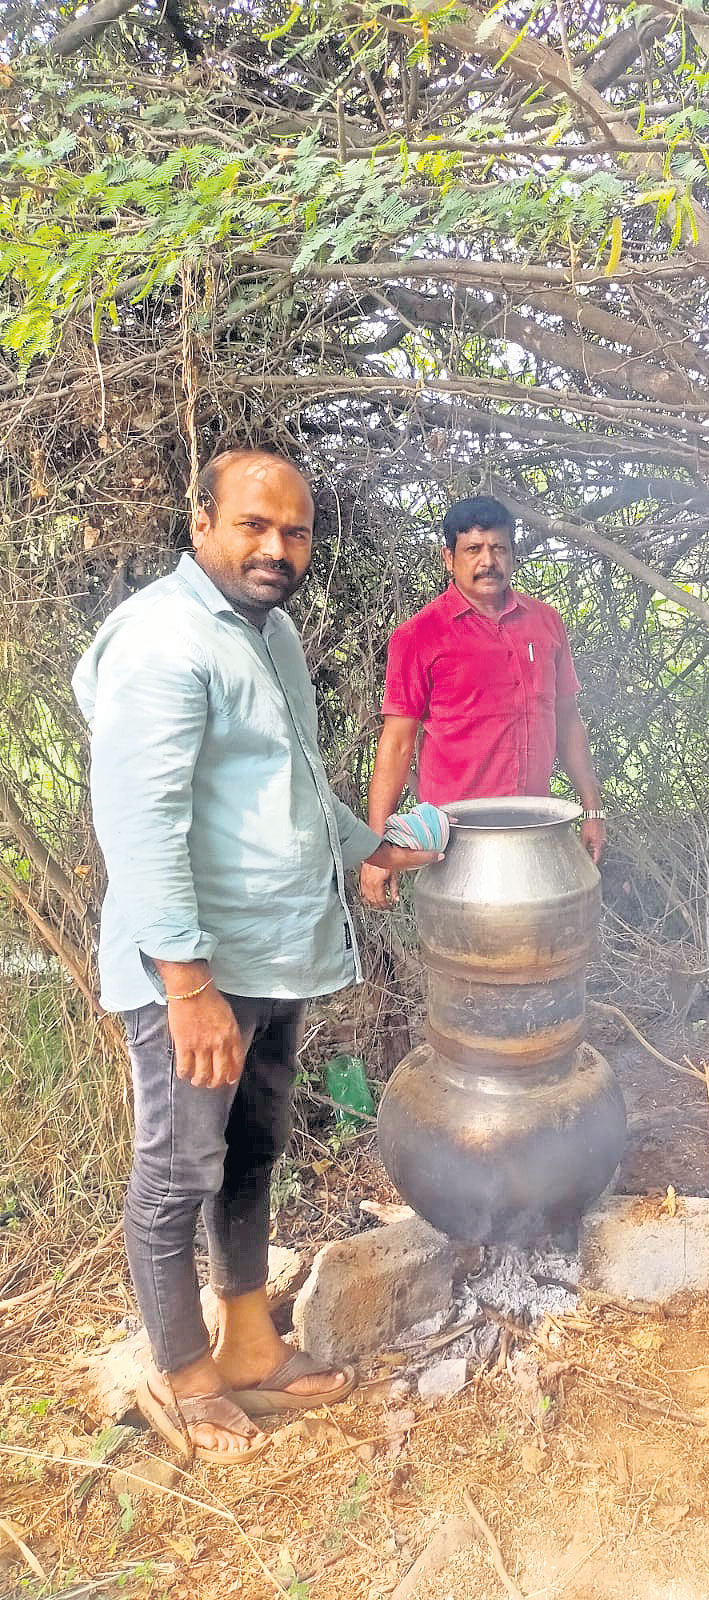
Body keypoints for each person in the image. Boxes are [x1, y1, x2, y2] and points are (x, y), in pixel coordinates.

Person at [73, 449, 446, 1465]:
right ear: (201, 524)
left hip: (272, 950)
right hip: (195, 969)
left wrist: (371, 848)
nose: (277, 548)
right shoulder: (163, 639)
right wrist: (187, 985)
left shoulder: (267, 632)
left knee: (248, 1152)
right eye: (254, 525)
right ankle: (183, 1373)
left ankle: (248, 1344)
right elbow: (140, 824)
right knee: (176, 1168)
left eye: (295, 531)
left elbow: (291, 788)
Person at [361, 495, 606, 908]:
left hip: (535, 831)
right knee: (459, 946)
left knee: (541, 942)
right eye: (473, 549)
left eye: (499, 548)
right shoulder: (419, 636)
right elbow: (397, 743)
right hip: (455, 841)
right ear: (449, 558)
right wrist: (377, 847)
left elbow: (567, 721)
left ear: (513, 554)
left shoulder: (546, 623)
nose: (488, 561)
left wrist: (593, 810)